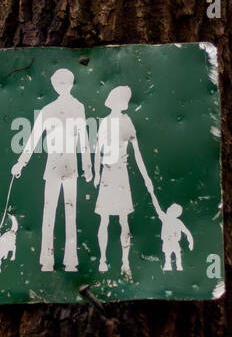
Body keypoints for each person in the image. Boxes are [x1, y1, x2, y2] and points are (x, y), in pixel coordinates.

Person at [11, 68, 92, 272]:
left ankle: (70, 260)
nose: (61, 88)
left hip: (70, 164)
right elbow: (33, 138)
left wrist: (87, 166)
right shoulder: (48, 110)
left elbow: (84, 138)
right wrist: (21, 163)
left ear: (71, 85)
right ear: (55, 86)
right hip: (55, 164)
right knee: (51, 211)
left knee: (69, 211)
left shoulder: (78, 108)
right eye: (58, 84)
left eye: (64, 84)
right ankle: (47, 259)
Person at [93, 85, 158, 279]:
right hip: (108, 172)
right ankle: (102, 259)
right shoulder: (104, 122)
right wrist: (96, 173)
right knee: (104, 218)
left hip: (121, 174)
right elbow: (98, 150)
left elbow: (136, 152)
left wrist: (146, 177)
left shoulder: (127, 121)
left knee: (124, 219)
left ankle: (125, 262)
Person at [158, 203, 194, 272]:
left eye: (171, 208)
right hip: (167, 242)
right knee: (168, 256)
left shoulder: (178, 222)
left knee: (177, 255)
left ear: (175, 213)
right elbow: (157, 207)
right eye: (169, 207)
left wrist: (191, 242)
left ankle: (178, 266)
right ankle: (168, 266)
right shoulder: (165, 218)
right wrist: (152, 194)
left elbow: (186, 232)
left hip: (174, 242)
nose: (168, 208)